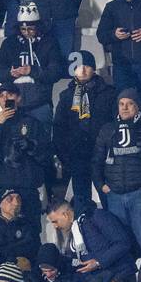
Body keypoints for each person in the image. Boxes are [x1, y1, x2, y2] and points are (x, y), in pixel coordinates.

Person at [92, 89, 141, 251]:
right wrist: (101, 185)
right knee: (120, 242)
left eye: (130, 104)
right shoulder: (107, 130)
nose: (125, 108)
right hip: (114, 195)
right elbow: (96, 161)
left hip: (140, 194)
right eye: (121, 104)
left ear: (138, 107)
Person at [52, 50, 116, 212]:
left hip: (102, 155)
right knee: (81, 201)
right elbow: (59, 128)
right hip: (77, 155)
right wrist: (65, 156)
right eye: (78, 66)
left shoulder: (109, 94)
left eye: (87, 66)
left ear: (94, 69)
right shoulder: (66, 96)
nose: (82, 70)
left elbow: (115, 124)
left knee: (109, 198)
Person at [0, 83, 53, 213]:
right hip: (1, 185)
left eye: (10, 95)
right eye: (2, 96)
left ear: (18, 98)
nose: (6, 99)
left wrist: (31, 146)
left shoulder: (33, 123)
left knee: (29, 229)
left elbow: (46, 154)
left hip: (27, 184)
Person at [0, 1, 66, 124]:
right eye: (23, 29)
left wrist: (32, 71)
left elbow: (55, 72)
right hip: (14, 103)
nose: (27, 32)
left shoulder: (49, 43)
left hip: (40, 103)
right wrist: (10, 73)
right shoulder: (9, 43)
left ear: (38, 27)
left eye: (31, 29)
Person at [47, 199, 136, 282]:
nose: (55, 226)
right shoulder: (73, 231)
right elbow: (81, 264)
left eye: (55, 221)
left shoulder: (97, 216)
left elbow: (123, 243)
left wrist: (99, 262)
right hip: (98, 279)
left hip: (120, 274)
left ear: (65, 215)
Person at [0, 190, 41, 271]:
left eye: (18, 199)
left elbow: (33, 248)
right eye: (9, 199)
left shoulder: (27, 225)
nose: (16, 203)